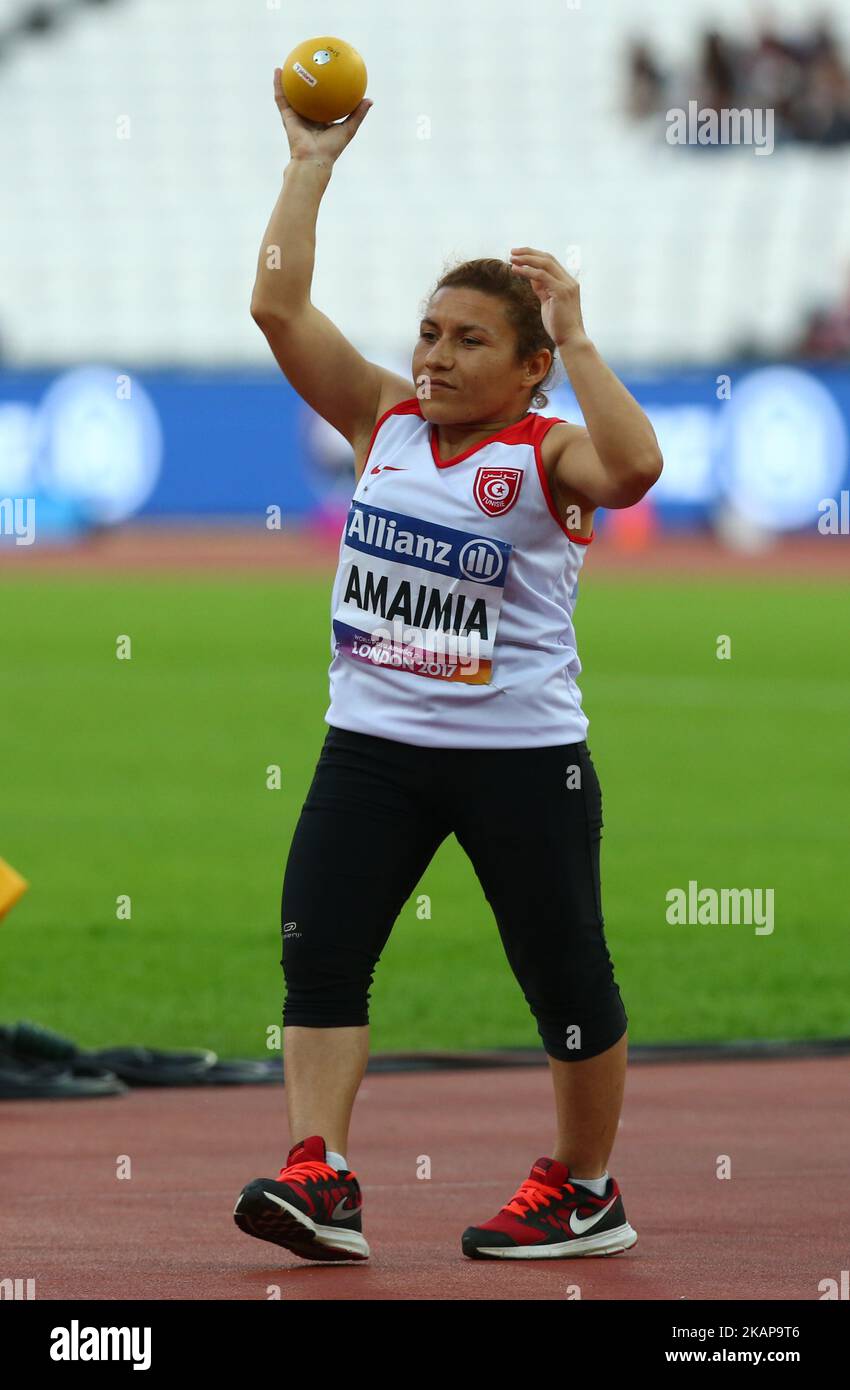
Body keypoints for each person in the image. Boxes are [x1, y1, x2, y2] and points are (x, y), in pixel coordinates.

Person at [233, 69, 663, 1264]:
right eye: (427, 331)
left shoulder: (547, 449)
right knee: (320, 954)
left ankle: (585, 1191)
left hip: (519, 757)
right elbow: (276, 312)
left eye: (469, 340)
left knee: (565, 975)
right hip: (370, 744)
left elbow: (634, 470)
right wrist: (309, 165)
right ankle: (319, 1175)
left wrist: (576, 334)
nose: (433, 356)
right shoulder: (385, 425)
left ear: (526, 368)